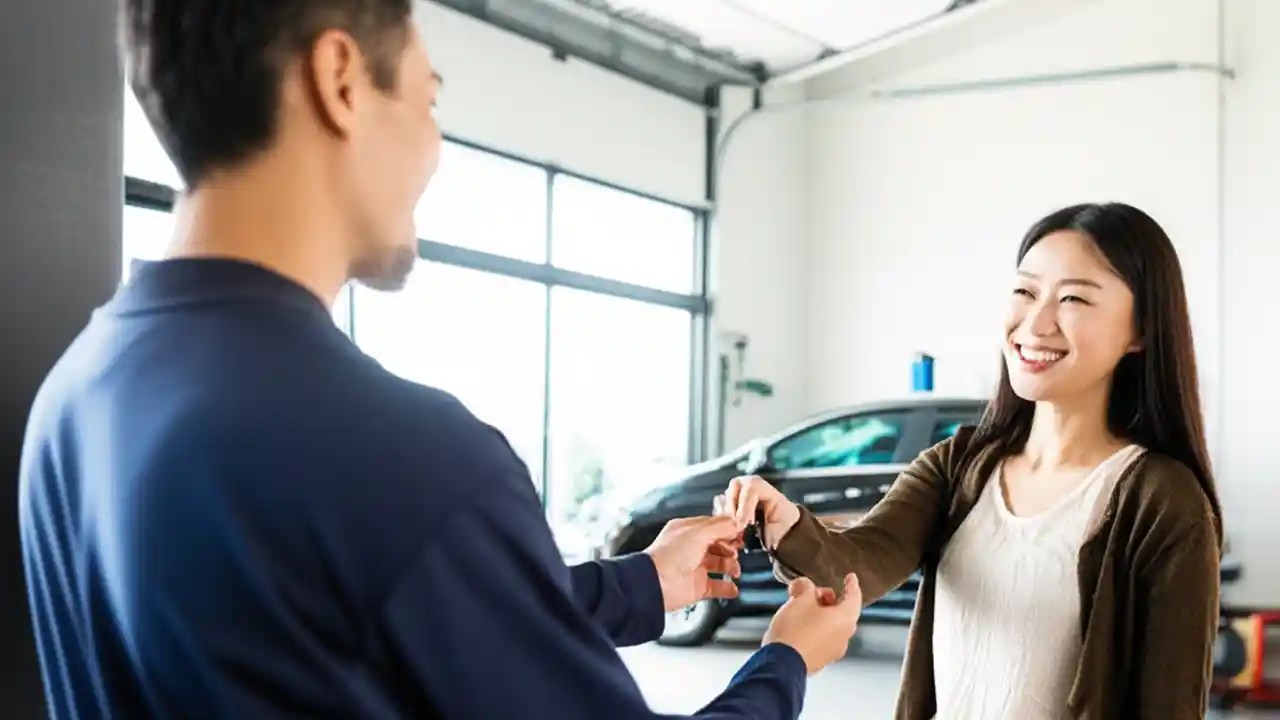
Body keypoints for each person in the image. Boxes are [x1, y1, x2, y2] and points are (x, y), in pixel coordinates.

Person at [17, 2, 863, 718]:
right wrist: (784, 662)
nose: (433, 150)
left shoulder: (76, 396)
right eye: (426, 102)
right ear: (341, 80)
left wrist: (644, 582)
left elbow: (360, 613)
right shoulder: (409, 457)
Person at [723, 203, 1223, 720]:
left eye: (1073, 298)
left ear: (1142, 329)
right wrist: (786, 523)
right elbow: (862, 563)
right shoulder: (959, 466)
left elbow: (1169, 706)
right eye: (1025, 291)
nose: (1036, 322)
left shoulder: (1163, 501)